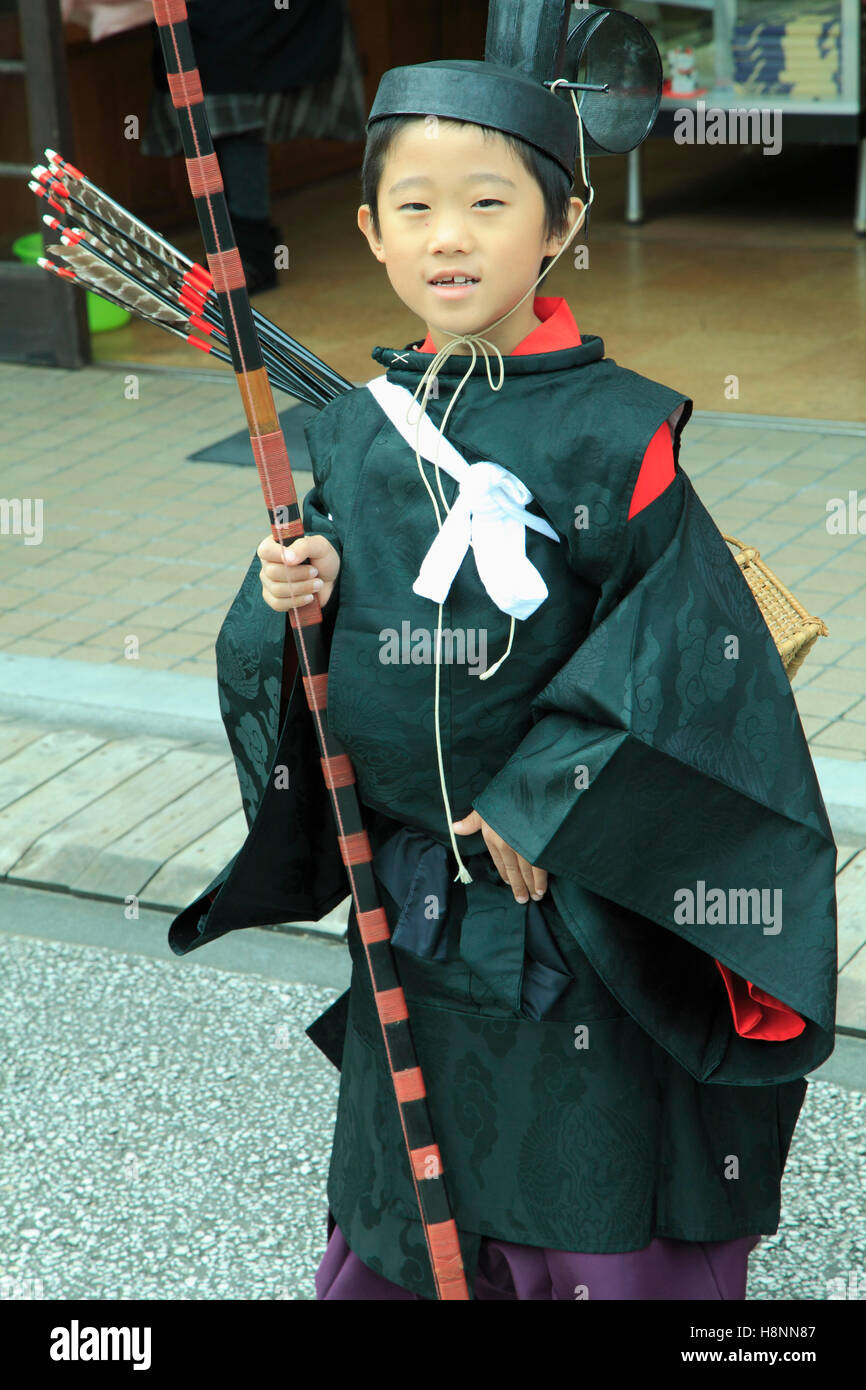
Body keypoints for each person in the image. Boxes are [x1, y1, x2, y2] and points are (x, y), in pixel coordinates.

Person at [166, 1, 837, 1301]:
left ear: (562, 225)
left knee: (575, 1167)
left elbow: (683, 653)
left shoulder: (617, 434)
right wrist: (285, 595)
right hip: (412, 901)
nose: (449, 236)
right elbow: (299, 650)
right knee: (416, 1181)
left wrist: (545, 796)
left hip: (563, 896)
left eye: (487, 203)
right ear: (367, 232)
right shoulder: (357, 430)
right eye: (411, 208)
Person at [141, 0, 367, 293]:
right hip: (204, 23)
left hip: (253, 22)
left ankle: (251, 254)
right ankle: (242, 251)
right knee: (216, 118)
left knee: (235, 120)